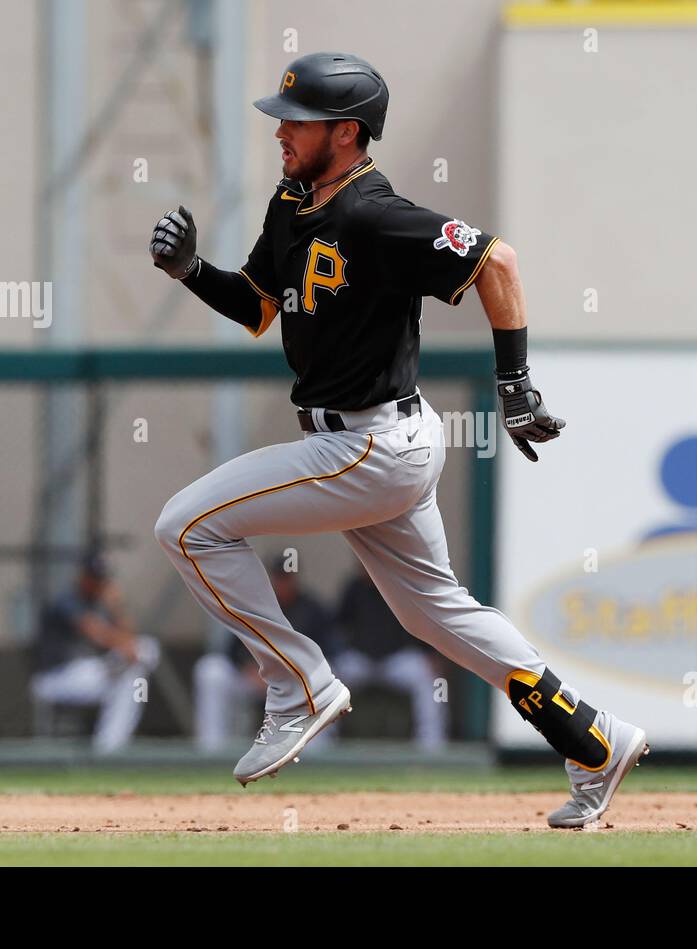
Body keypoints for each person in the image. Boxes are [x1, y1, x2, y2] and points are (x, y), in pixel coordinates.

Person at [151, 52, 648, 828]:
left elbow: (498, 260)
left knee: (184, 525)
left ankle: (300, 685)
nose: (280, 133)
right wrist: (191, 272)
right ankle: (593, 739)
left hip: (366, 446)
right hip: (375, 445)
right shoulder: (295, 199)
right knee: (437, 613)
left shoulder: (375, 215)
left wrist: (514, 386)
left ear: (346, 133)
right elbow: (256, 308)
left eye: (299, 122)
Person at [194, 555, 342, 751]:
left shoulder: (311, 608)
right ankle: (211, 747)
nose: (282, 584)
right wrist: (250, 669)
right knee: (211, 670)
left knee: (329, 675)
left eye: (286, 578)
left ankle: (317, 750)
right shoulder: (253, 605)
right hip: (255, 678)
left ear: (295, 579)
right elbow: (231, 651)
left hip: (296, 683)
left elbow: (329, 650)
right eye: (278, 578)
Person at [30, 552, 160, 754]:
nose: (99, 583)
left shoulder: (98, 602)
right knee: (136, 665)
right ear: (82, 576)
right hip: (54, 678)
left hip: (87, 674)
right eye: (94, 578)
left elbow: (130, 642)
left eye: (102, 578)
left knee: (142, 658)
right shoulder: (66, 600)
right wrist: (127, 647)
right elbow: (97, 633)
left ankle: (109, 749)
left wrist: (118, 609)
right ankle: (109, 751)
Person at [335, 562, 445, 751]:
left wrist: (430, 653)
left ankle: (431, 745)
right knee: (326, 677)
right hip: (361, 661)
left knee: (430, 679)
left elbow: (423, 622)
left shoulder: (399, 586)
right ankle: (319, 744)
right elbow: (337, 626)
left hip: (397, 660)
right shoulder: (354, 588)